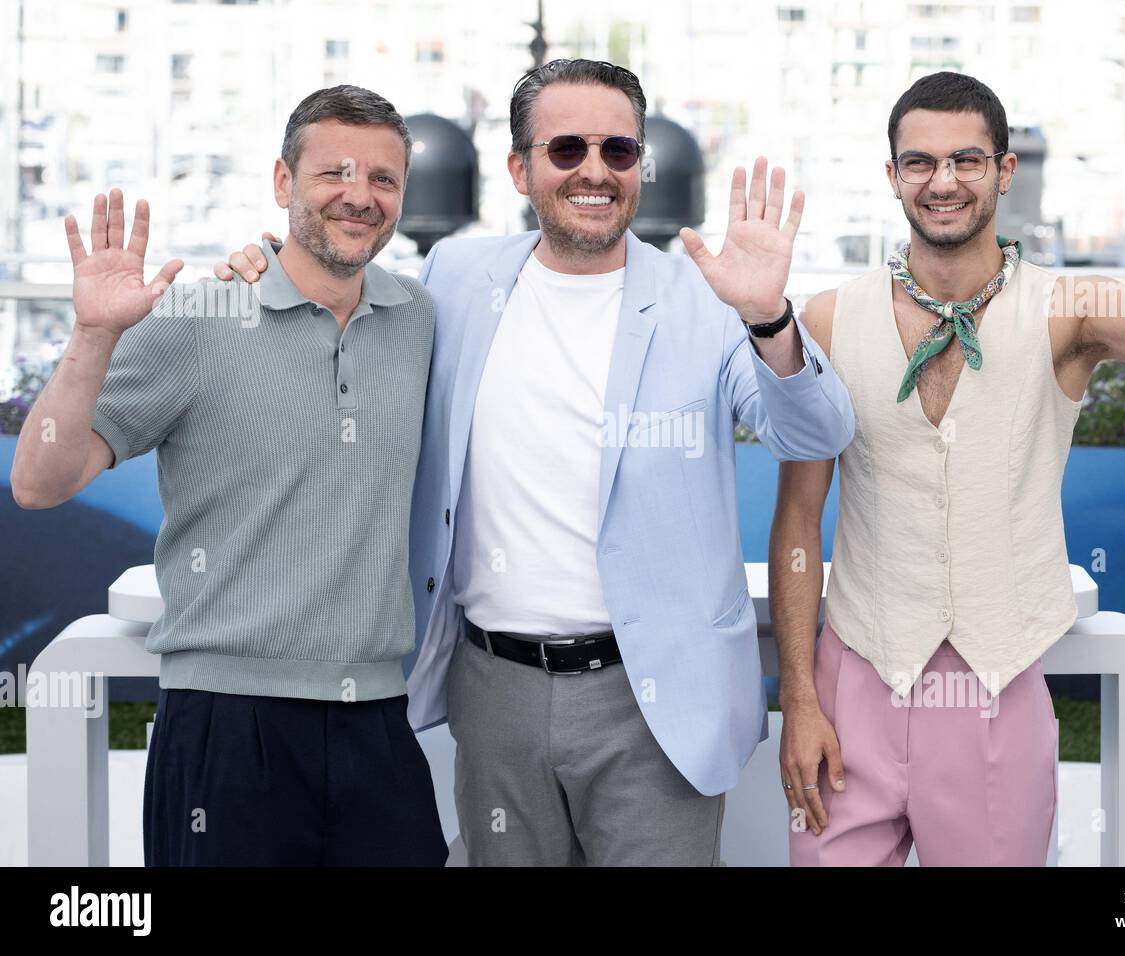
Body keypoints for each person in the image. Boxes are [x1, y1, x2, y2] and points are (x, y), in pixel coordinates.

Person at [218, 59, 855, 865]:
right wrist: (260, 266)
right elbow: (337, 291)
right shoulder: (454, 276)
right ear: (521, 168)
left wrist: (769, 318)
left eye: (618, 150)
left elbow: (816, 434)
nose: (594, 171)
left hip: (656, 696)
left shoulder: (710, 299)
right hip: (494, 690)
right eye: (566, 150)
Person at [771, 20, 1125, 866]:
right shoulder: (827, 320)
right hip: (855, 687)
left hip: (996, 690)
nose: (942, 180)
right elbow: (800, 521)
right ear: (892, 177)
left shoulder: (1068, 311)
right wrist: (801, 699)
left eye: (965, 159)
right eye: (919, 161)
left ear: (1002, 170)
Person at [11, 85, 448, 866]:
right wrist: (93, 334)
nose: (360, 195)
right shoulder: (196, 318)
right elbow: (39, 481)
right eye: (334, 173)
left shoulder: (420, 319)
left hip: (378, 720)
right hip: (224, 727)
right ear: (283, 184)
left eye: (384, 179)